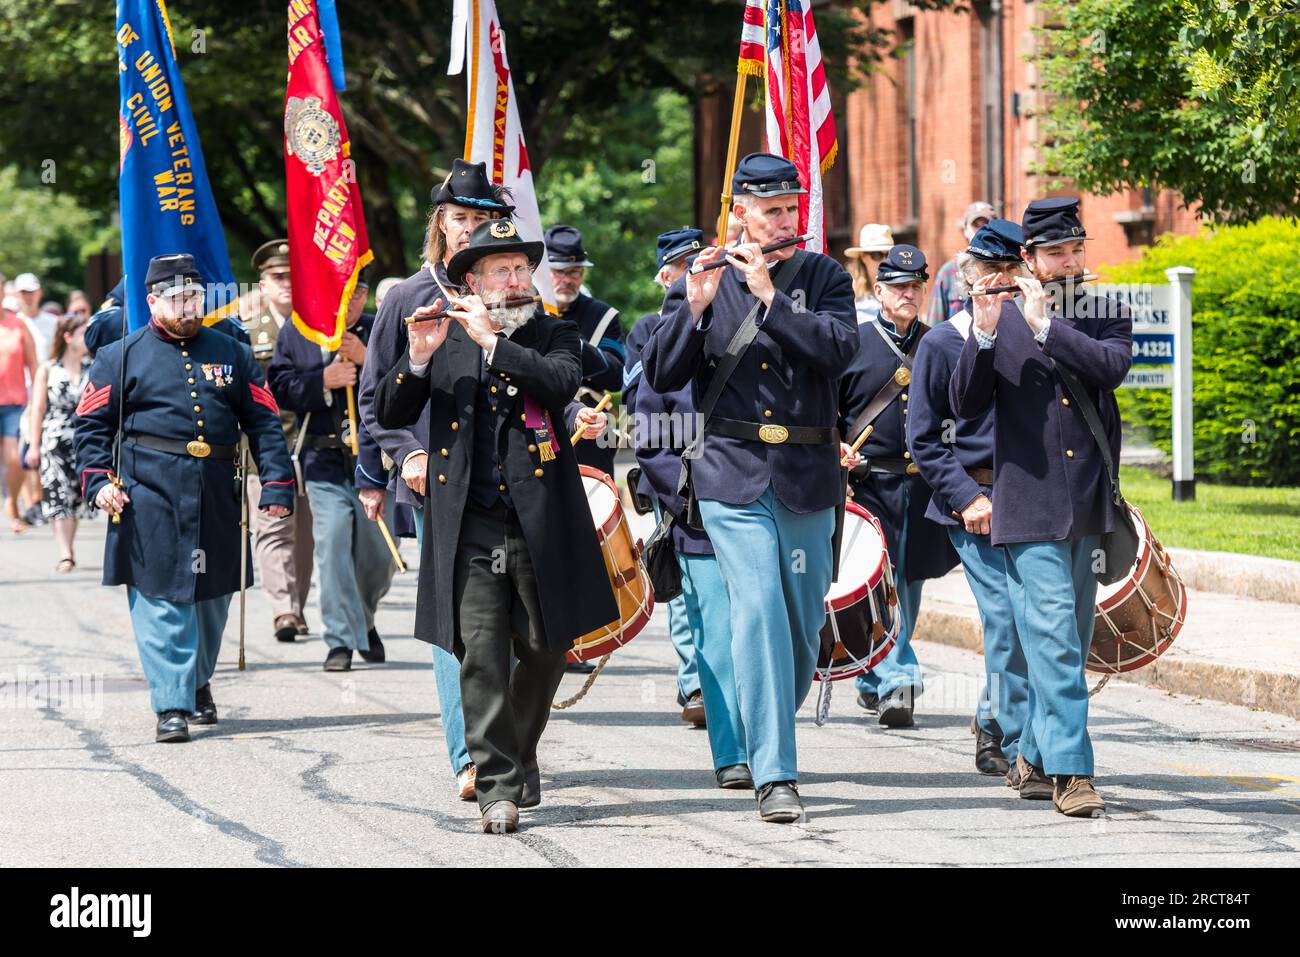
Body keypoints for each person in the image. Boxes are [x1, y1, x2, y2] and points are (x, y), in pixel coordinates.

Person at [375, 218, 618, 833]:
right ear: (472, 282)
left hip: (541, 519)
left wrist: (494, 344)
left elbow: (563, 380)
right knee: (478, 651)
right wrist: (418, 357)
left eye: (520, 270)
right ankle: (497, 785)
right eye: (500, 272)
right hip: (470, 521)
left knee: (544, 646)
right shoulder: (444, 336)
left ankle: (518, 751)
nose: (515, 282)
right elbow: (389, 409)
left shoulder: (554, 332)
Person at [642, 152, 858, 823]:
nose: (784, 219)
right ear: (739, 212)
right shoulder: (704, 274)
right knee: (759, 607)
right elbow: (662, 370)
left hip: (807, 474)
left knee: (799, 627)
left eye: (792, 208)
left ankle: (765, 715)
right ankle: (776, 772)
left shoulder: (823, 275)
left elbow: (839, 351)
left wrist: (771, 298)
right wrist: (693, 309)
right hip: (730, 472)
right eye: (770, 210)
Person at [950, 197, 1132, 818]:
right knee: (1053, 638)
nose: (1070, 262)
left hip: (1087, 505)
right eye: (1057, 253)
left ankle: (1030, 749)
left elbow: (1112, 369)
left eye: (1077, 250)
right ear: (1028, 258)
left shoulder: (1104, 312)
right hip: (1026, 505)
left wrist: (1049, 325)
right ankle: (1073, 773)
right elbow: (967, 405)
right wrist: (982, 328)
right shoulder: (998, 319)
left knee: (1071, 641)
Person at [74, 253, 295, 743]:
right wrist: (98, 481)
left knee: (211, 598)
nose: (188, 307)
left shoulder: (231, 350)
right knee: (161, 598)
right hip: (147, 492)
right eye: (176, 299)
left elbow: (262, 420)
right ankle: (171, 703)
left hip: (216, 490)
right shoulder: (120, 356)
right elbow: (89, 426)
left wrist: (278, 482)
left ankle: (196, 681)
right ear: (152, 302)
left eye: (194, 297)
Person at [358, 158, 515, 803]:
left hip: (513, 480)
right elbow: (375, 399)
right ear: (440, 224)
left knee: (510, 621)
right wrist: (402, 457)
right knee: (456, 619)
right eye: (461, 218)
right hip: (436, 482)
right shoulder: (404, 297)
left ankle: (506, 743)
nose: (471, 229)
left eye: (483, 219)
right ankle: (471, 756)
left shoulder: (512, 291)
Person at [907, 219, 1030, 776]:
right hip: (974, 503)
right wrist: (965, 498)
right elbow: (923, 439)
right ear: (970, 275)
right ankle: (999, 728)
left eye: (1011, 271)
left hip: (1035, 499)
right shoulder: (941, 341)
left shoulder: (1037, 336)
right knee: (1004, 616)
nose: (1001, 282)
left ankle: (1004, 721)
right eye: (991, 271)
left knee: (1035, 617)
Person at [631, 228, 752, 786]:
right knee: (715, 632)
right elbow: (651, 430)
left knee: (767, 628)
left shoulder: (756, 329)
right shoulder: (658, 335)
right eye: (685, 269)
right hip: (697, 510)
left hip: (759, 500)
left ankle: (767, 738)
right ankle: (733, 754)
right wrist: (677, 499)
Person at [838, 245, 958, 728]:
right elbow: (830, 410)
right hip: (871, 483)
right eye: (899, 287)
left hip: (924, 486)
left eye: (917, 286)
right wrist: (835, 453)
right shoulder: (853, 342)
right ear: (880, 291)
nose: (909, 294)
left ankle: (872, 674)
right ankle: (898, 680)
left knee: (908, 584)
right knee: (878, 582)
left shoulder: (938, 343)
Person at [269, 277, 395, 671]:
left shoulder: (380, 328)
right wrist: (321, 381)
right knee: (333, 546)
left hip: (374, 465)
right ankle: (340, 639)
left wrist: (366, 360)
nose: (351, 301)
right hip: (323, 461)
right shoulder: (299, 329)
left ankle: (364, 619)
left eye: (358, 293)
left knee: (378, 557)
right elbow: (280, 386)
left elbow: (408, 384)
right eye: (343, 293)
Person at [624, 228, 710, 726]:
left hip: (723, 467)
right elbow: (641, 407)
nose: (695, 275)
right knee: (680, 579)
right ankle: (694, 683)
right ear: (665, 275)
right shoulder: (647, 329)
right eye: (683, 267)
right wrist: (668, 473)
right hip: (671, 470)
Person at [244, 240, 315, 643]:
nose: (287, 283)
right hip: (265, 448)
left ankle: (298, 606)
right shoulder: (249, 333)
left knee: (303, 534)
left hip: (310, 443)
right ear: (263, 283)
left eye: (293, 276)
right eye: (278, 277)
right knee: (273, 528)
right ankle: (283, 609)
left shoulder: (321, 327)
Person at [544, 224, 625, 476]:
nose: (567, 280)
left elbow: (616, 375)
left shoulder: (603, 315)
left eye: (575, 272)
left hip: (590, 431)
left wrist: (574, 345)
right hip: (540, 425)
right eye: (559, 272)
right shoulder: (527, 310)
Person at [25, 313, 92, 570]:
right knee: (58, 494)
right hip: (54, 440)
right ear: (67, 336)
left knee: (75, 497)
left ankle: (68, 547)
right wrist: (33, 444)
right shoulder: (48, 369)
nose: (87, 338)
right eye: (82, 333)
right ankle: (66, 553)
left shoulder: (92, 367)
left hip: (84, 439)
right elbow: (38, 408)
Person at [0, 297, 39, 533]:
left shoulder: (18, 325)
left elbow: (33, 364)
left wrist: (38, 399)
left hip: (15, 403)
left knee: (15, 458)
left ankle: (12, 500)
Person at [927, 201, 995, 325]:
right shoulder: (948, 272)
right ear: (965, 230)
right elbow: (934, 327)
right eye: (976, 225)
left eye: (986, 225)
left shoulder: (1008, 270)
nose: (981, 231)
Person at [843, 223, 894, 324]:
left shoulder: (902, 290)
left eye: (888, 255)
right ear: (863, 257)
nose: (884, 260)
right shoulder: (848, 293)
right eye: (876, 254)